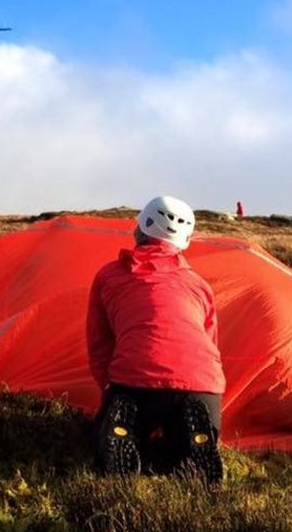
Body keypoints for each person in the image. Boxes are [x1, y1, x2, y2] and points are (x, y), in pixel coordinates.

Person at [87, 195, 224, 482]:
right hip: (203, 383)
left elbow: (100, 344)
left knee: (110, 431)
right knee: (179, 446)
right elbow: (210, 342)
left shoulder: (109, 275)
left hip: (136, 382)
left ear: (139, 228)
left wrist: (109, 389)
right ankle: (191, 441)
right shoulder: (199, 285)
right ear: (185, 240)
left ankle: (125, 426)